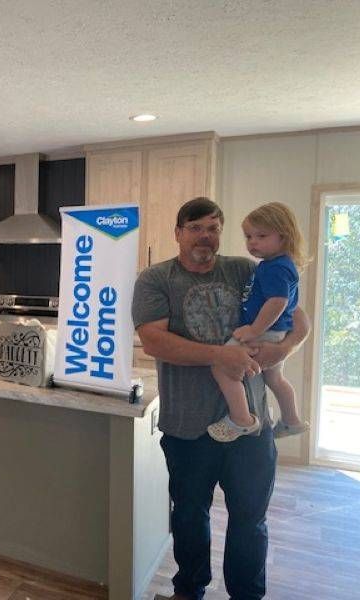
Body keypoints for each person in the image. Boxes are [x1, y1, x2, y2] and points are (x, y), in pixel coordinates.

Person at [131, 197, 309, 600]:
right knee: (189, 517)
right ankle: (189, 591)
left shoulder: (247, 269)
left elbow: (299, 320)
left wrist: (282, 350)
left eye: (212, 228)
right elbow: (154, 341)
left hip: (251, 427)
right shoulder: (156, 279)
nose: (204, 236)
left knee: (250, 521)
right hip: (187, 426)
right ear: (178, 233)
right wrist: (219, 355)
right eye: (195, 228)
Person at [208, 202, 310, 442]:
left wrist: (254, 330)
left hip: (264, 333)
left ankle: (241, 420)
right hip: (275, 332)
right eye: (249, 236)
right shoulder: (275, 265)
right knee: (275, 378)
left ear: (284, 237)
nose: (253, 242)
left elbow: (278, 302)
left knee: (222, 366)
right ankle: (292, 420)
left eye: (261, 236)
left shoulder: (275, 268)